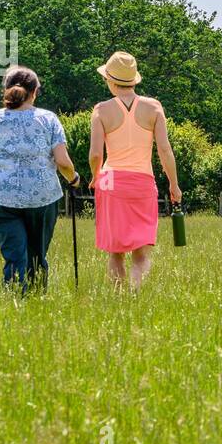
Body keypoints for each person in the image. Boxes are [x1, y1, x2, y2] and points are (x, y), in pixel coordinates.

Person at [0, 66, 79, 292]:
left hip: (2, 198)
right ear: (35, 92)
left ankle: (14, 303)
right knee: (37, 256)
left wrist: (3, 165)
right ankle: (36, 300)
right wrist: (74, 178)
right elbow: (62, 161)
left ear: (6, 90)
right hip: (43, 198)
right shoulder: (48, 119)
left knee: (14, 256)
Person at [89, 51, 182, 291]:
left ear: (110, 80)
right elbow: (164, 149)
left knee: (115, 252)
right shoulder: (154, 107)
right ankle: (135, 293)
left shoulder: (101, 110)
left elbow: (96, 155)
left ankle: (119, 298)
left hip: (110, 179)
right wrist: (174, 184)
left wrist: (95, 176)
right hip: (143, 180)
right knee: (141, 253)